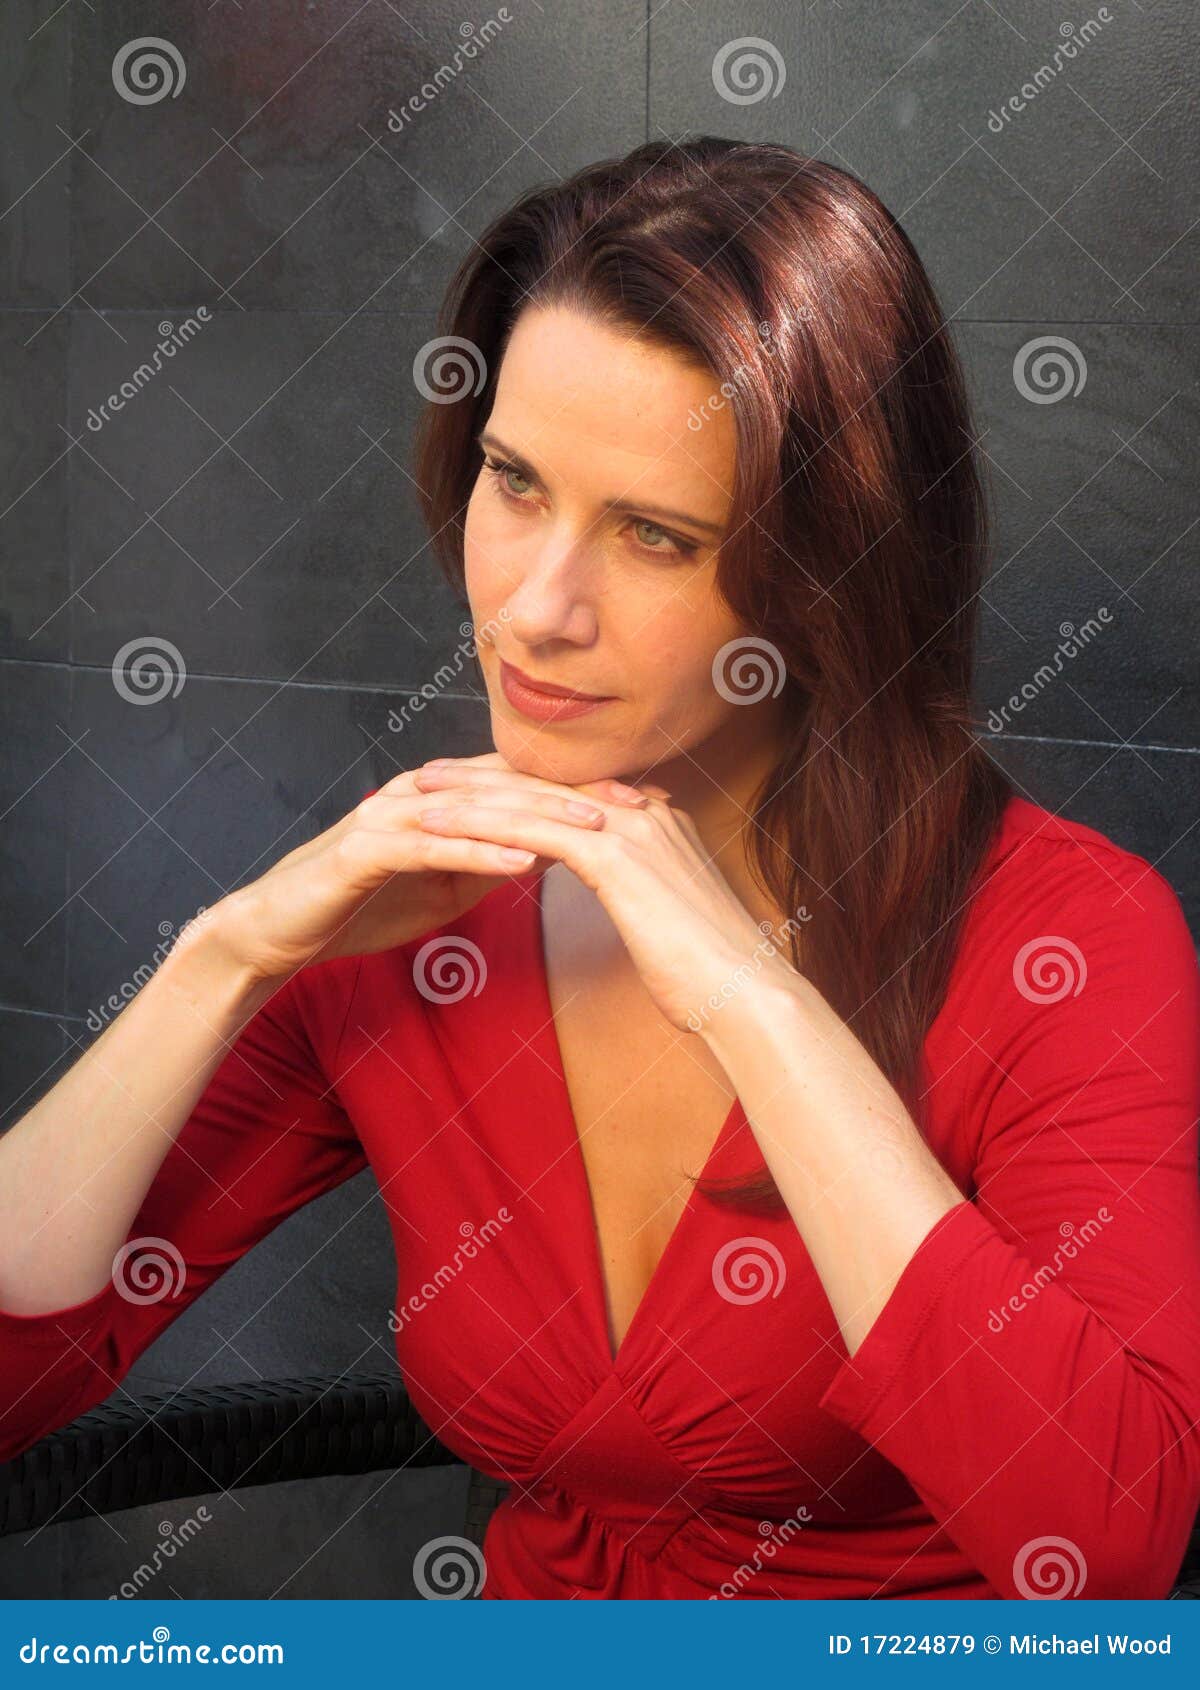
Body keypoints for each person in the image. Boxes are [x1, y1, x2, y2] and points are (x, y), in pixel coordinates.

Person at [1, 136, 1198, 1601]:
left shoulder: (1069, 937)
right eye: (514, 479)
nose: (533, 606)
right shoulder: (420, 912)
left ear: (828, 575)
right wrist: (228, 953)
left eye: (654, 533)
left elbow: (1103, 1533)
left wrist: (759, 1007)